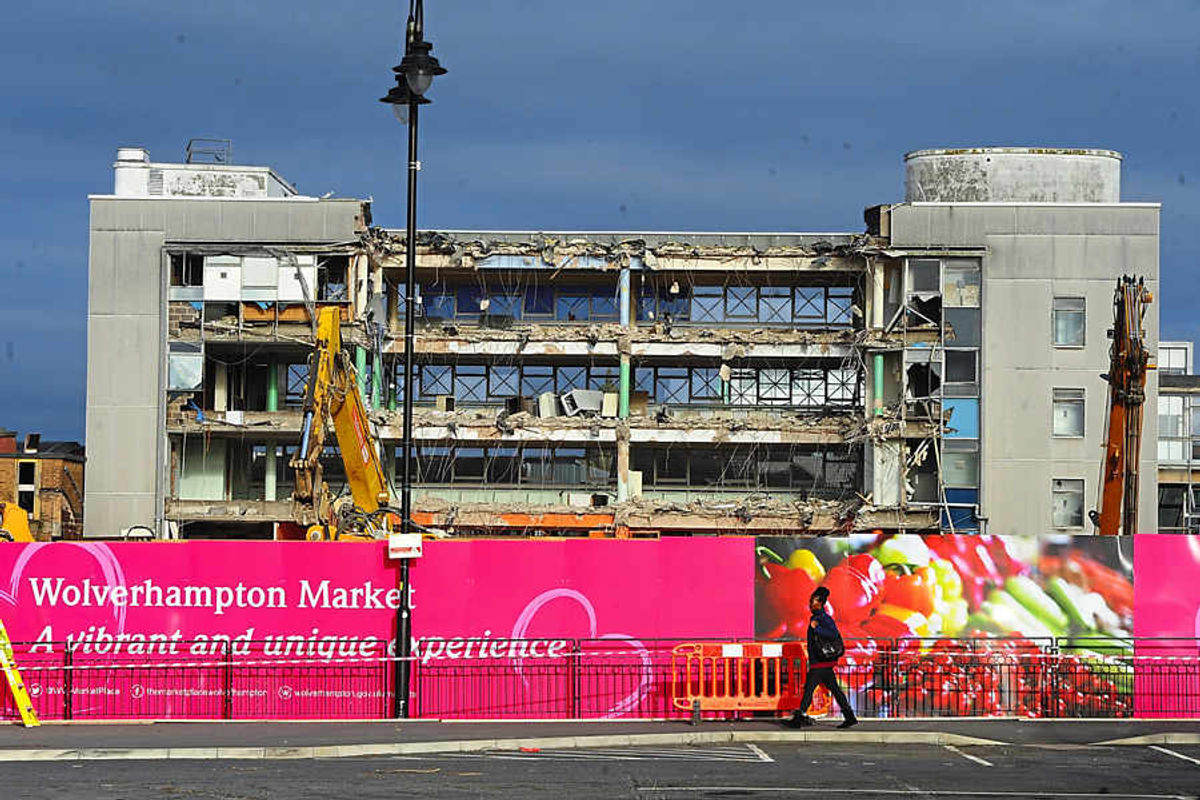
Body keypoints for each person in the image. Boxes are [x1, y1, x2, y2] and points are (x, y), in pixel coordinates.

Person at [786, 586, 858, 729]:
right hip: (823, 664)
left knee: (809, 690)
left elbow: (833, 634)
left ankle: (799, 717)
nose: (810, 604)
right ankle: (850, 717)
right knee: (835, 690)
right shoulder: (818, 617)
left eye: (812, 602)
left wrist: (816, 628)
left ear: (819, 603)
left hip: (820, 663)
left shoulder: (823, 618)